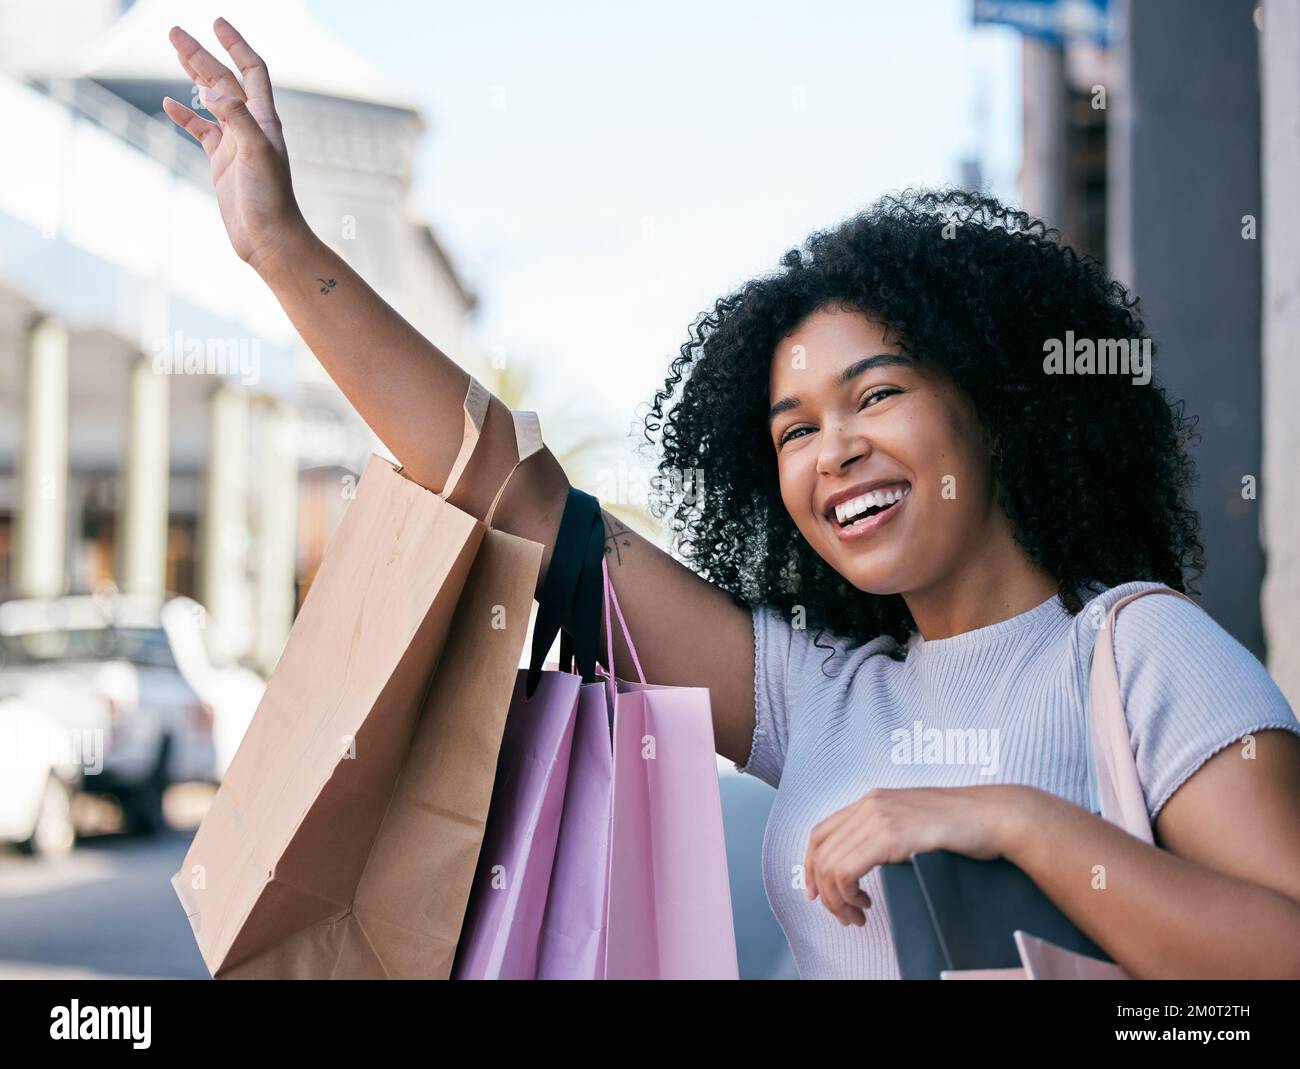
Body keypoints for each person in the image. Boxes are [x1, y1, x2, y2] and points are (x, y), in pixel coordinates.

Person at [161, 17, 1300, 979]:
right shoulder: (819, 693)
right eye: (794, 430)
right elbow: (519, 497)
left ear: (993, 410)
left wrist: (1010, 818)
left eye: (877, 395)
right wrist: (276, 244)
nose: (832, 450)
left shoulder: (1141, 651)